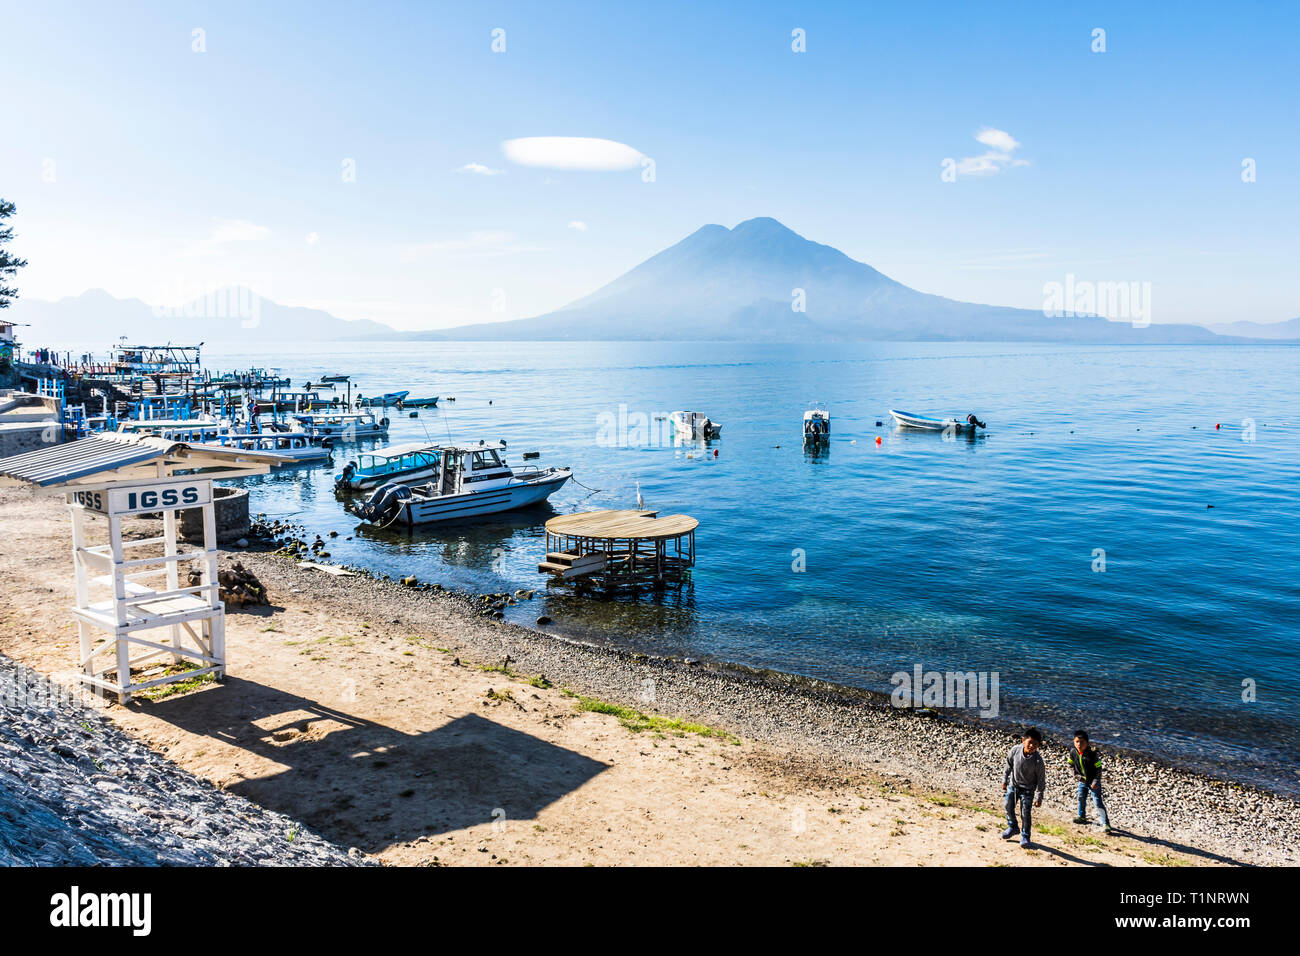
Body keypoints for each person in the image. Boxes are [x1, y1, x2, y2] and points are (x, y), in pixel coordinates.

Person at [1001, 727, 1046, 847]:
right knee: (1007, 805)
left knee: (1025, 813)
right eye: (1030, 742)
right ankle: (1013, 827)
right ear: (1023, 740)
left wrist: (1039, 797)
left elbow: (1041, 781)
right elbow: (1008, 765)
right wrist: (1004, 780)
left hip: (1028, 791)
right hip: (1014, 786)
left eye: (1035, 744)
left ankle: (1025, 836)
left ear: (1038, 746)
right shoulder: (1015, 750)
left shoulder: (1038, 761)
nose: (1032, 746)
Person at [1067, 730, 1112, 833]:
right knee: (1081, 798)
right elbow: (1070, 765)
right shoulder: (1073, 752)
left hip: (1093, 782)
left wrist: (1096, 782)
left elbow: (1099, 769)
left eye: (1082, 742)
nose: (1079, 744)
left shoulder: (1092, 755)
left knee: (1097, 802)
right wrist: (1076, 776)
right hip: (1082, 781)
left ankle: (1105, 823)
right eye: (1077, 741)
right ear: (1074, 742)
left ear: (1087, 743)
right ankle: (1082, 816)